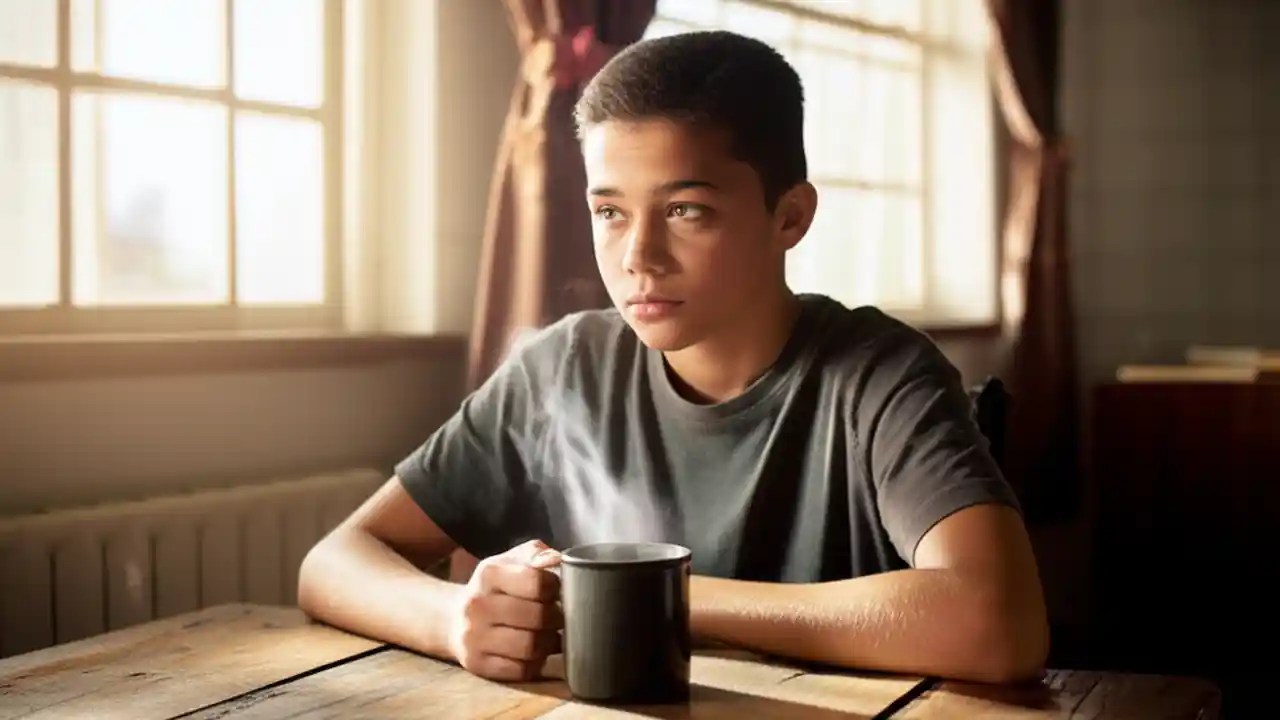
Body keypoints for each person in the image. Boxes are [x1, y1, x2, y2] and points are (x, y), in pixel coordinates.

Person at [298, 29, 1048, 686]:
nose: (639, 258)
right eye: (610, 212)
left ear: (789, 215)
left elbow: (997, 622)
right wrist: (454, 619)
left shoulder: (880, 374)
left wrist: (646, 594)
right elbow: (333, 562)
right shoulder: (561, 370)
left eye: (686, 210)